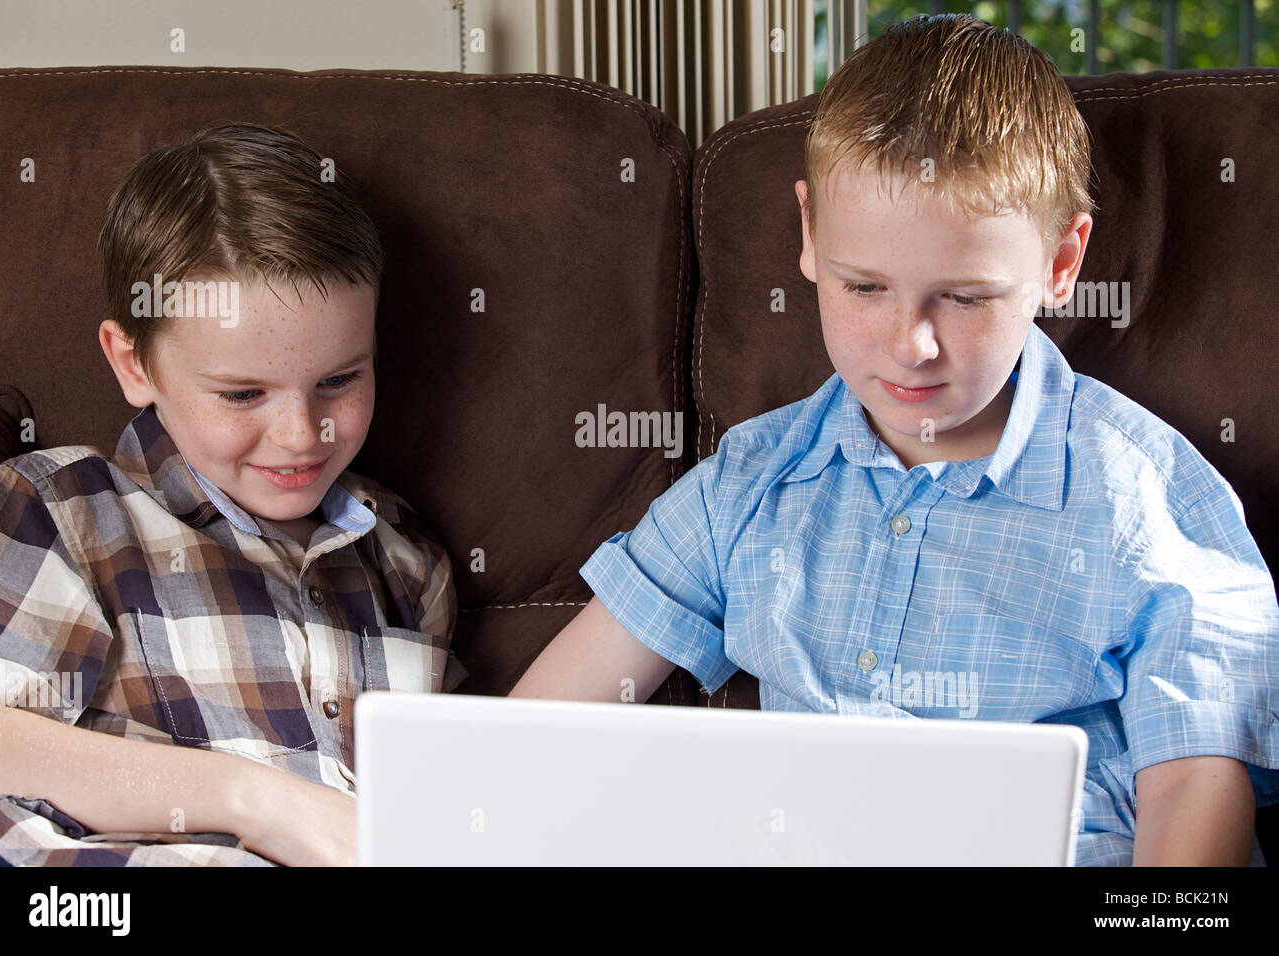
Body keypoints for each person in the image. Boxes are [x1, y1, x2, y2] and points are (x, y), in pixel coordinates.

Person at [511, 14, 1279, 866]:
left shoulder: (1146, 494)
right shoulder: (750, 485)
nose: (911, 344)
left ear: (1062, 263)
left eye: (965, 297)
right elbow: (543, 728)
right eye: (865, 286)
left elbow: (1195, 793)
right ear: (809, 238)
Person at [0, 123, 465, 866]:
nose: (301, 434)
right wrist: (256, 800)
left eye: (338, 380)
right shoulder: (62, 510)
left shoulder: (405, 560)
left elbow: (448, 790)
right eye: (242, 394)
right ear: (133, 364)